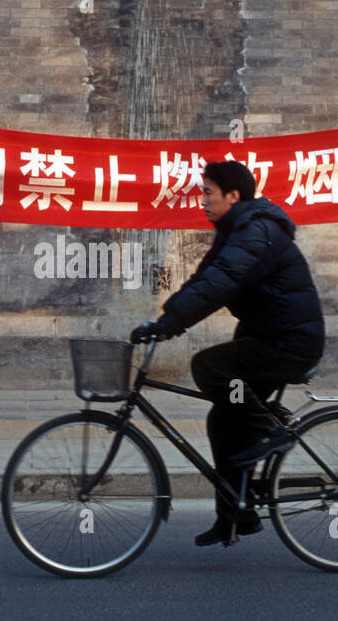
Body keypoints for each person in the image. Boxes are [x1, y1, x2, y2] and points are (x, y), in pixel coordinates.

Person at [130, 160, 324, 548]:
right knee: (224, 419)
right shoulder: (236, 230)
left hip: (289, 345)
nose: (202, 200)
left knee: (210, 365)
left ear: (233, 196)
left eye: (208, 192)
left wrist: (169, 324)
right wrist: (167, 321)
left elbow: (219, 286)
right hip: (269, 340)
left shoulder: (257, 231)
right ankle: (237, 514)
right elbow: (203, 280)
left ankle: (269, 428)